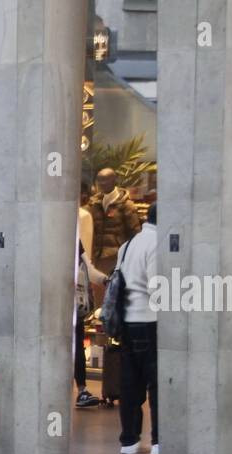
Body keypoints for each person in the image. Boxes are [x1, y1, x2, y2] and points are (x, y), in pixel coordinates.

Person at [116, 203, 159, 454]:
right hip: (150, 322)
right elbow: (156, 289)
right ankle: (158, 440)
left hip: (127, 322)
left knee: (130, 384)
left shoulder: (129, 244)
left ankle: (129, 439)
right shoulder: (157, 244)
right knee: (156, 384)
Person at [87, 168, 143, 276]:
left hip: (117, 258)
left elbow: (135, 234)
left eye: (105, 180)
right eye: (99, 181)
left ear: (114, 180)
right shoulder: (94, 204)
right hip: (96, 257)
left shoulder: (126, 205)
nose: (101, 184)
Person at [74, 239, 105, 408]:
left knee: (78, 346)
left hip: (72, 302)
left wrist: (105, 280)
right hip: (55, 301)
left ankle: (82, 389)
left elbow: (88, 268)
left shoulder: (74, 238)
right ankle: (81, 390)